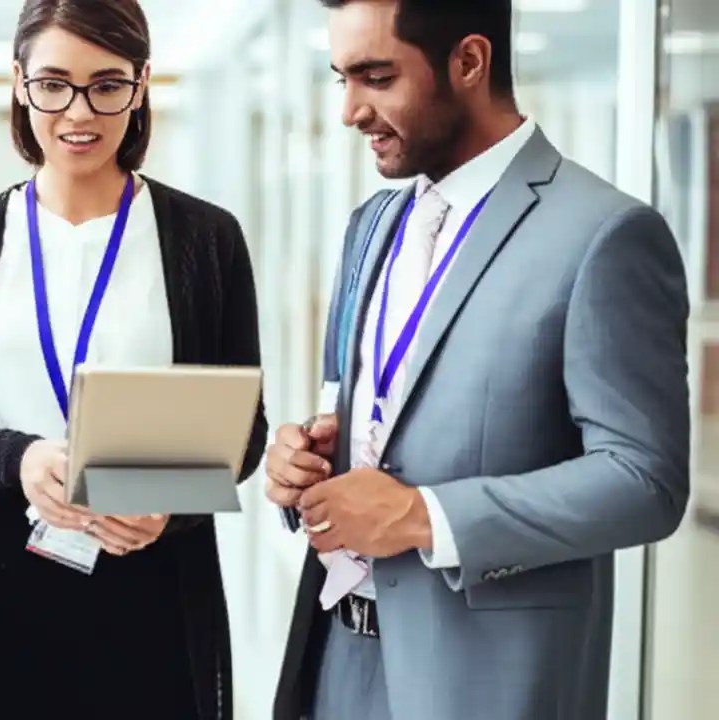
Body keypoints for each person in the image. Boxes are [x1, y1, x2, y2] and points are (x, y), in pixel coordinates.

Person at [265, 1, 690, 719]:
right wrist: (305, 459)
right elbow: (370, 410)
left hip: (486, 686)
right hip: (336, 664)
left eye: (375, 76)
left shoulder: (605, 235)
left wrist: (421, 516)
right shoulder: (370, 226)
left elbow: (645, 481)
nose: (350, 111)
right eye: (341, 78)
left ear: (468, 62)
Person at [0, 0, 267, 718]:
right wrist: (21, 459)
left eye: (107, 84)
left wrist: (171, 506)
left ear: (142, 83)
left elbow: (245, 432)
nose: (79, 112)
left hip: (152, 590)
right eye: (54, 83)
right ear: (19, 82)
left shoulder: (204, 240)